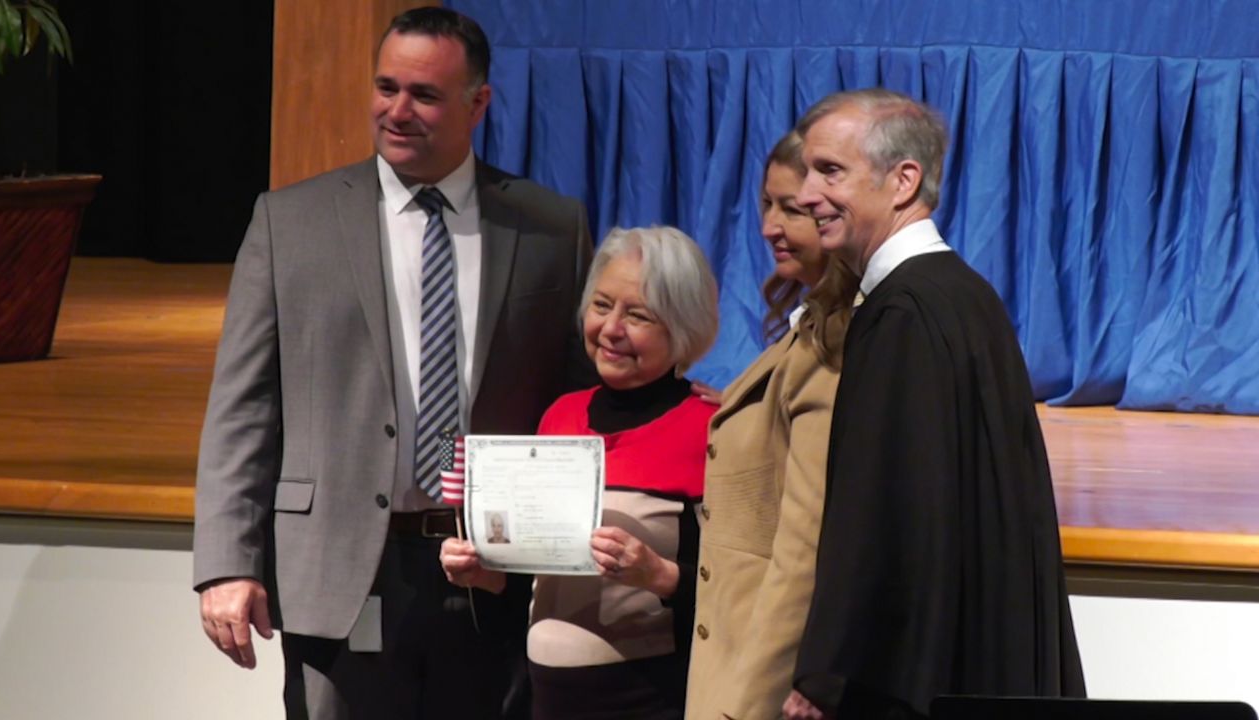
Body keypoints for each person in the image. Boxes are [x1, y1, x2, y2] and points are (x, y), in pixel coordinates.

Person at [192, 7, 593, 719]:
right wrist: (227, 562)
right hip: (343, 572)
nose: (397, 111)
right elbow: (242, 410)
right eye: (386, 88)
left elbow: (576, 401)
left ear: (479, 103)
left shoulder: (547, 226)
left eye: (425, 95)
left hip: (490, 575)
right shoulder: (292, 222)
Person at [783, 88, 1086, 720]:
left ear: (904, 180)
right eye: (809, 171)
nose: (808, 195)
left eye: (830, 171)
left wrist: (828, 674)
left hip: (905, 685)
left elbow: (883, 512)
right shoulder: (962, 294)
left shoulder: (903, 313)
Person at [441, 225, 719, 720]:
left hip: (651, 699)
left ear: (683, 328)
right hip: (545, 699)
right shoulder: (559, 416)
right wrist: (487, 576)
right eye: (601, 305)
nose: (611, 328)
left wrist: (658, 575)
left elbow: (739, 594)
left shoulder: (712, 430)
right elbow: (536, 586)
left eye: (638, 315)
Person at [684, 131, 858, 720]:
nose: (768, 226)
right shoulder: (807, 328)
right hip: (734, 650)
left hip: (758, 676)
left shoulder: (836, 346)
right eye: (767, 204)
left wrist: (750, 701)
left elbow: (802, 548)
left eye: (792, 209)